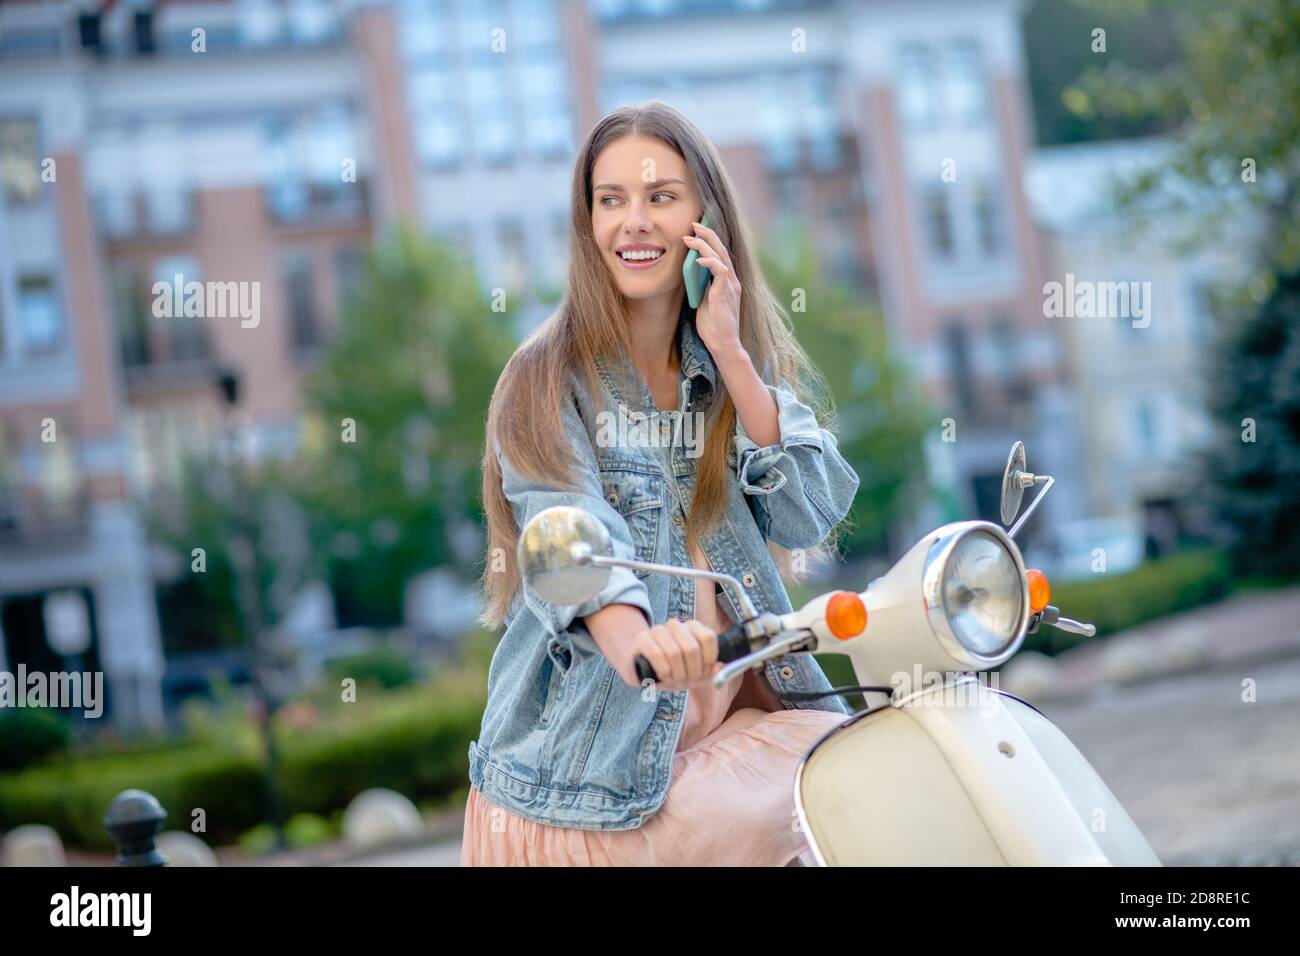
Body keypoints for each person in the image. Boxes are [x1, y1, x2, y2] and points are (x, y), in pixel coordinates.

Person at [461, 101, 860, 866]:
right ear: (587, 224)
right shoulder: (544, 379)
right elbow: (563, 536)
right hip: (588, 785)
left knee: (886, 774)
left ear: (704, 217)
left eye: (660, 197)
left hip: (737, 736)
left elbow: (809, 513)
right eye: (610, 201)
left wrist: (735, 358)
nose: (633, 222)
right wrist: (639, 640)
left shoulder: (736, 370)